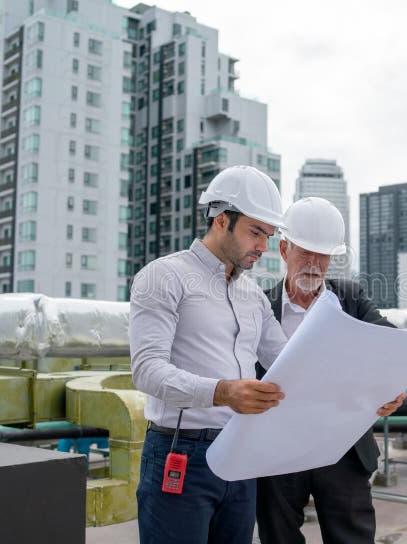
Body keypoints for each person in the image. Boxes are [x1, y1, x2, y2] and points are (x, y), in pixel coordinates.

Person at [129, 165, 288, 544]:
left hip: (239, 452)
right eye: (255, 232)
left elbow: (290, 360)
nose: (263, 246)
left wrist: (366, 390)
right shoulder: (163, 277)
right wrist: (224, 392)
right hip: (180, 451)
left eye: (268, 235)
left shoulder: (253, 297)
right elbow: (147, 371)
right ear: (221, 221)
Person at [256, 197, 405, 544]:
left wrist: (391, 387)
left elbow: (391, 346)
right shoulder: (259, 306)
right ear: (283, 249)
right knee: (278, 538)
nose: (314, 263)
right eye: (305, 252)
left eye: (323, 255)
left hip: (343, 449)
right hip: (278, 452)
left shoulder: (351, 299)